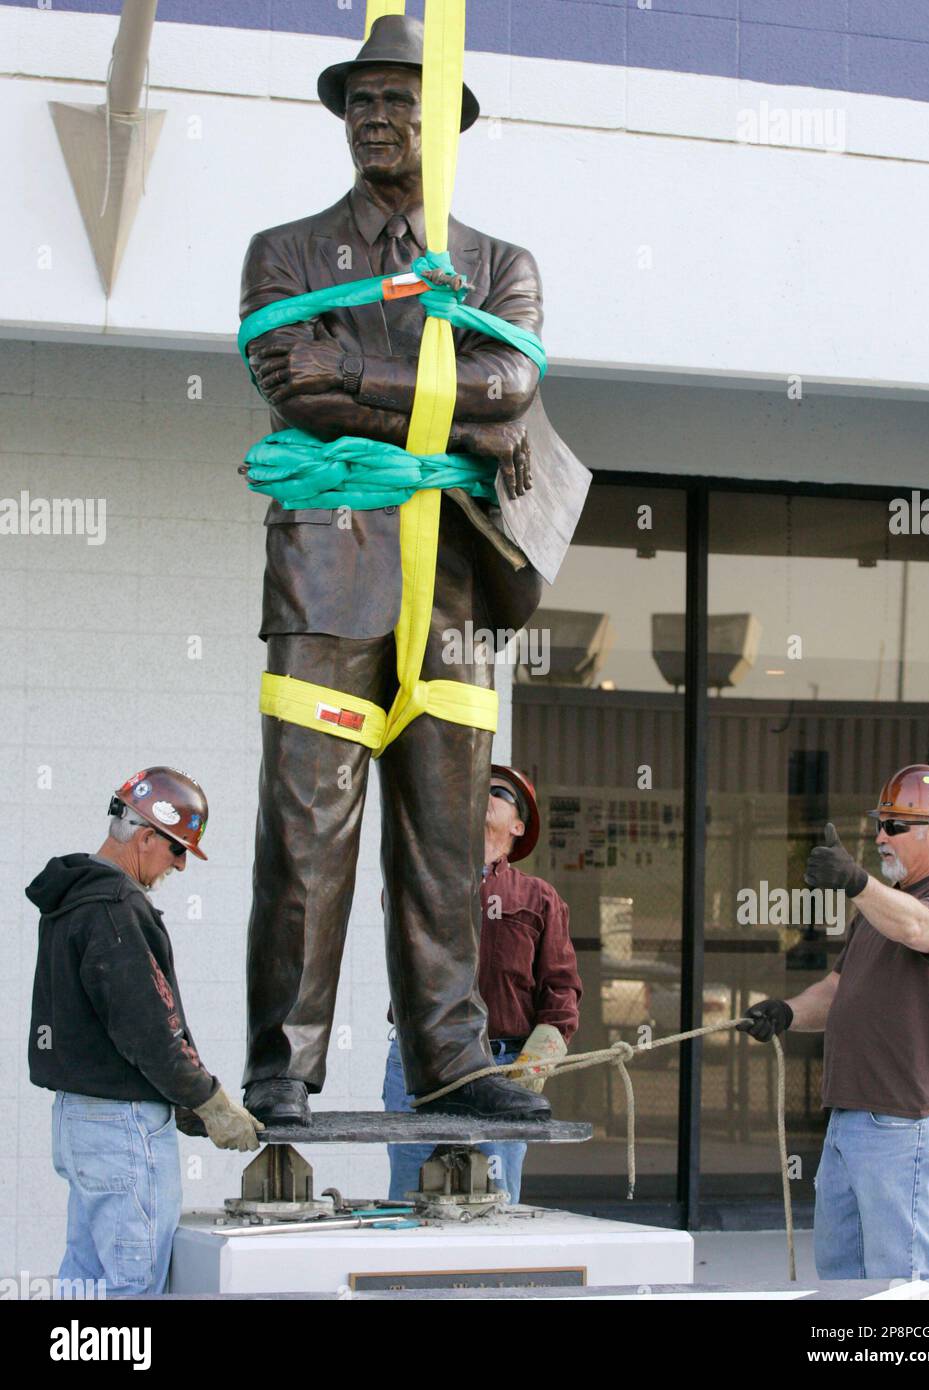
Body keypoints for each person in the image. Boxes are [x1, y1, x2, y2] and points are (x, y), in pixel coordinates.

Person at [239, 15, 587, 1127]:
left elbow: (510, 390)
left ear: (444, 121)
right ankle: (280, 1065)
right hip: (325, 576)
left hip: (451, 593)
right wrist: (439, 417)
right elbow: (289, 388)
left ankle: (448, 1053)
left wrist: (353, 365)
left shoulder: (498, 265)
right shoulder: (284, 253)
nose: (375, 119)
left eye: (398, 99)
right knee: (304, 834)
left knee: (444, 836)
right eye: (360, 101)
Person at [739, 764, 929, 1292]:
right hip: (851, 1117)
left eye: (896, 825)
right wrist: (786, 1013)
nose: (880, 836)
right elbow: (836, 990)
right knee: (843, 1281)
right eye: (881, 823)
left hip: (902, 1121)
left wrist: (856, 881)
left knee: (903, 1283)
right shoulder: (877, 913)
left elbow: (919, 927)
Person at [28, 768, 263, 1297]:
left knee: (85, 1283)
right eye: (177, 848)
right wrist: (209, 1101)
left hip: (80, 1119)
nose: (180, 864)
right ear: (146, 835)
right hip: (122, 1127)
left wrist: (182, 1099)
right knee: (131, 1291)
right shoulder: (115, 909)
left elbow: (109, 1021)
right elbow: (148, 1029)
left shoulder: (71, 900)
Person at [383, 765, 582, 1202]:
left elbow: (562, 991)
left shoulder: (539, 898)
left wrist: (532, 1067)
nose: (482, 795)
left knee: (494, 1202)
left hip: (502, 1063)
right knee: (410, 1197)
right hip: (418, 1064)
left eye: (497, 791)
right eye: (475, 789)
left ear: (518, 825)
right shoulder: (422, 882)